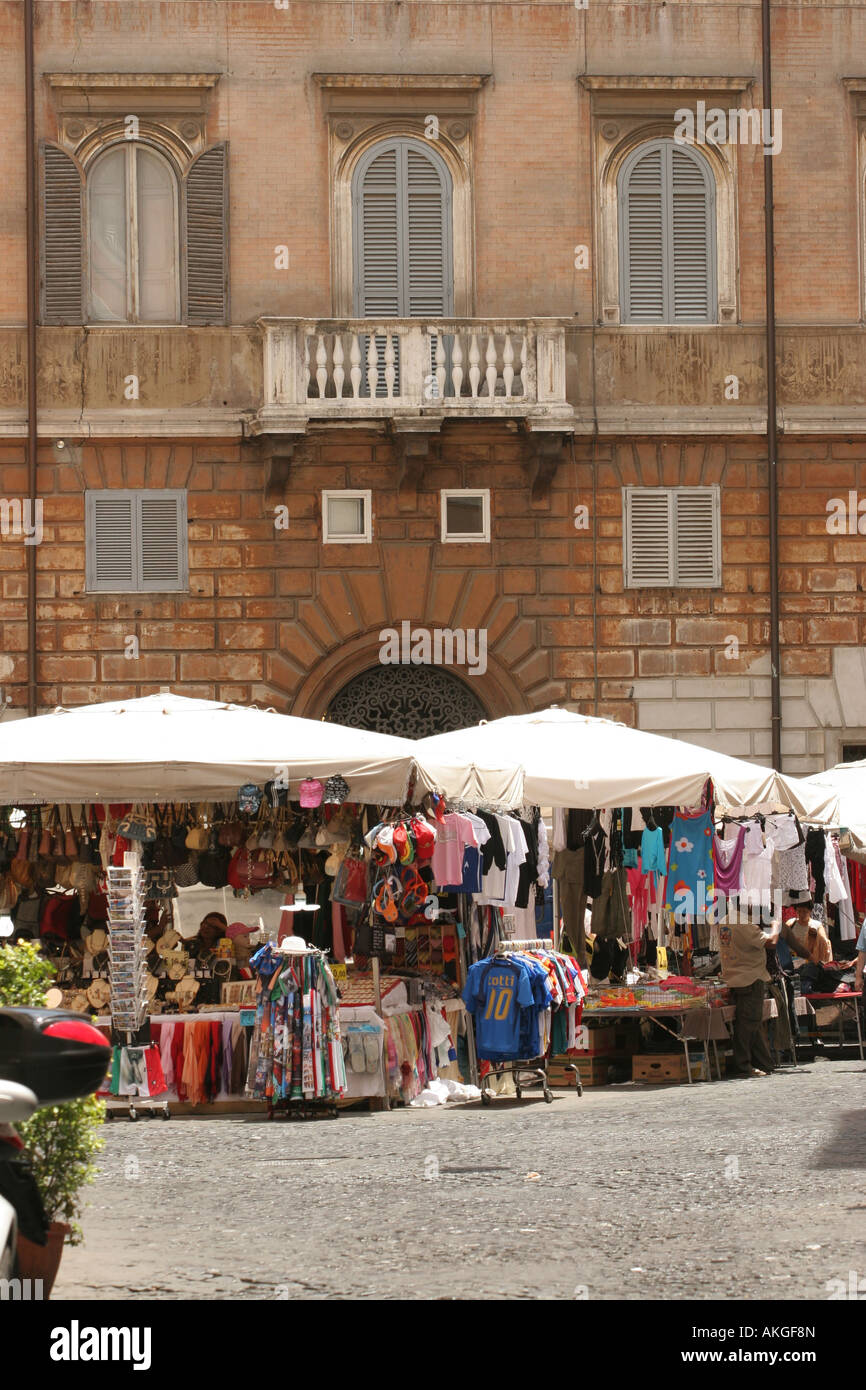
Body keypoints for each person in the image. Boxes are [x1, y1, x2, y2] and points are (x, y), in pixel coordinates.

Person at [718, 912, 780, 1077]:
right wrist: (776, 926)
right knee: (748, 1024)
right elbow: (771, 942)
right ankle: (743, 1066)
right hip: (750, 978)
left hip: (735, 977)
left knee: (751, 1023)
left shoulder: (726, 920)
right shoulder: (743, 924)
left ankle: (764, 1063)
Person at [782, 900, 832, 965]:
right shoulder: (791, 923)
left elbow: (825, 945)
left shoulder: (816, 926)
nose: (801, 914)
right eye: (799, 911)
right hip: (790, 960)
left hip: (809, 963)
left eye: (805, 912)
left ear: (810, 911)